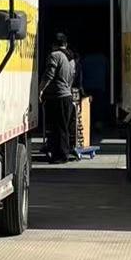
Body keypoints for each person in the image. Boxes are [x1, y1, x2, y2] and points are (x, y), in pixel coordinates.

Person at [40, 31, 77, 163]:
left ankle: (60, 156)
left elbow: (49, 74)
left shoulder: (55, 55)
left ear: (53, 44)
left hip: (57, 96)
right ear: (65, 44)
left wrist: (40, 89)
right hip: (67, 96)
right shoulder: (71, 58)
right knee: (63, 127)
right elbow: (73, 76)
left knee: (57, 128)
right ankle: (63, 153)